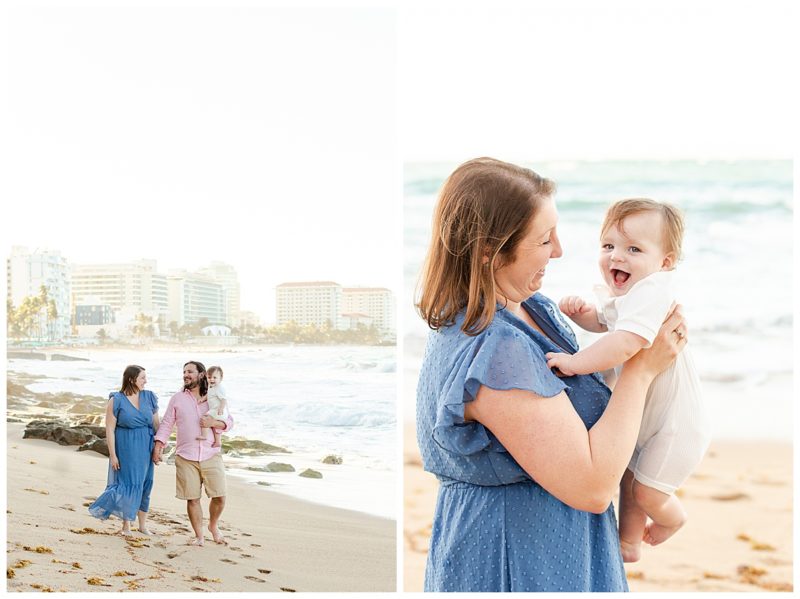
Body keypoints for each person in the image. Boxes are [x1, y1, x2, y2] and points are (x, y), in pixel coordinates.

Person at [415, 158, 688, 592]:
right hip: (519, 553)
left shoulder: (534, 309)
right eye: (544, 240)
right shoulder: (494, 348)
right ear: (489, 251)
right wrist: (642, 368)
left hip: (565, 540)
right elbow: (592, 486)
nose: (559, 250)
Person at [544, 198, 712, 562]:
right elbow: (607, 325)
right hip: (646, 419)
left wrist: (576, 364)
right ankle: (629, 543)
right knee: (628, 478)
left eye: (633, 248)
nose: (616, 257)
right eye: (608, 246)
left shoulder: (653, 290)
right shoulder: (630, 294)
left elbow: (624, 343)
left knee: (650, 495)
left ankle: (674, 519)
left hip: (675, 425)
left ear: (664, 263)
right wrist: (584, 314)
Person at [152, 361, 233, 546]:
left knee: (220, 497)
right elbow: (166, 424)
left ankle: (213, 525)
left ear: (202, 374)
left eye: (190, 371)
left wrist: (214, 423)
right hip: (185, 456)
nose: (185, 375)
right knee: (193, 499)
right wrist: (159, 445)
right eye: (184, 372)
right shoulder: (177, 398)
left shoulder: (214, 396)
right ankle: (199, 536)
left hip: (211, 453)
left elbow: (229, 421)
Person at [88, 365, 160, 536]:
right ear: (131, 379)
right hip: (126, 448)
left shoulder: (150, 397)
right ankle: (126, 525)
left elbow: (157, 425)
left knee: (145, 483)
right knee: (128, 484)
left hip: (146, 447)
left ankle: (142, 525)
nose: (146, 381)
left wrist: (159, 448)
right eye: (142, 378)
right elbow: (110, 430)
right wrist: (113, 455)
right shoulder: (116, 400)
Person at [196, 366, 229, 448]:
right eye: (209, 377)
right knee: (215, 426)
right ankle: (218, 441)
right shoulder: (211, 387)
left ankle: (204, 436)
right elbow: (208, 394)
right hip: (216, 411)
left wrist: (221, 409)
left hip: (217, 410)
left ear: (221, 378)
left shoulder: (219, 388)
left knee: (205, 419)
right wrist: (202, 399)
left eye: (215, 377)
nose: (212, 380)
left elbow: (224, 399)